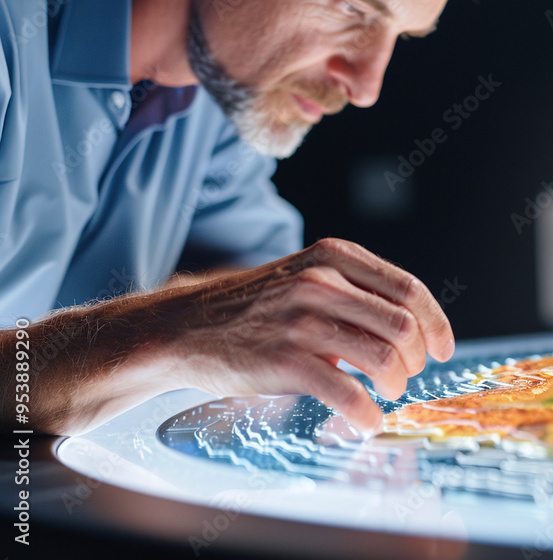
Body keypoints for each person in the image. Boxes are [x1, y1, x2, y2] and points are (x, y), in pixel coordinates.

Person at [0, 0, 454, 436]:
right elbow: (218, 318)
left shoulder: (215, 99)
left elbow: (252, 297)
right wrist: (170, 333)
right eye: (353, 9)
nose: (365, 88)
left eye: (401, 35)